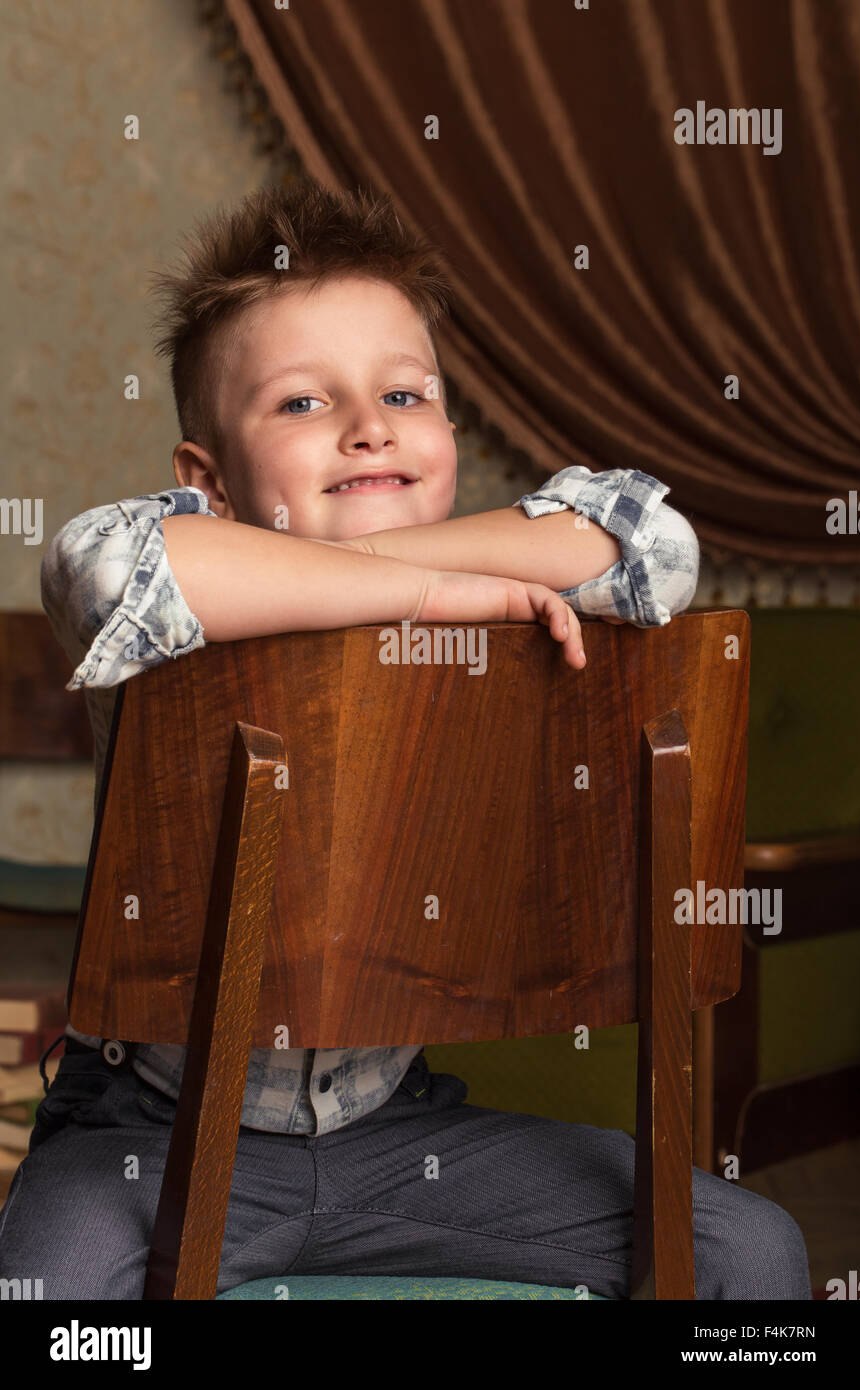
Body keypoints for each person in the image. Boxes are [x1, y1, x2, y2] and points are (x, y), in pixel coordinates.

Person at [0, 179, 811, 1300]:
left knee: (753, 1252)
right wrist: (440, 588)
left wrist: (420, 579)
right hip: (155, 1133)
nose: (365, 426)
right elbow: (103, 565)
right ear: (209, 484)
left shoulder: (500, 588)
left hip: (398, 1137)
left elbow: (657, 547)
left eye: (401, 392)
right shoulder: (170, 593)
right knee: (45, 1294)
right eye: (300, 404)